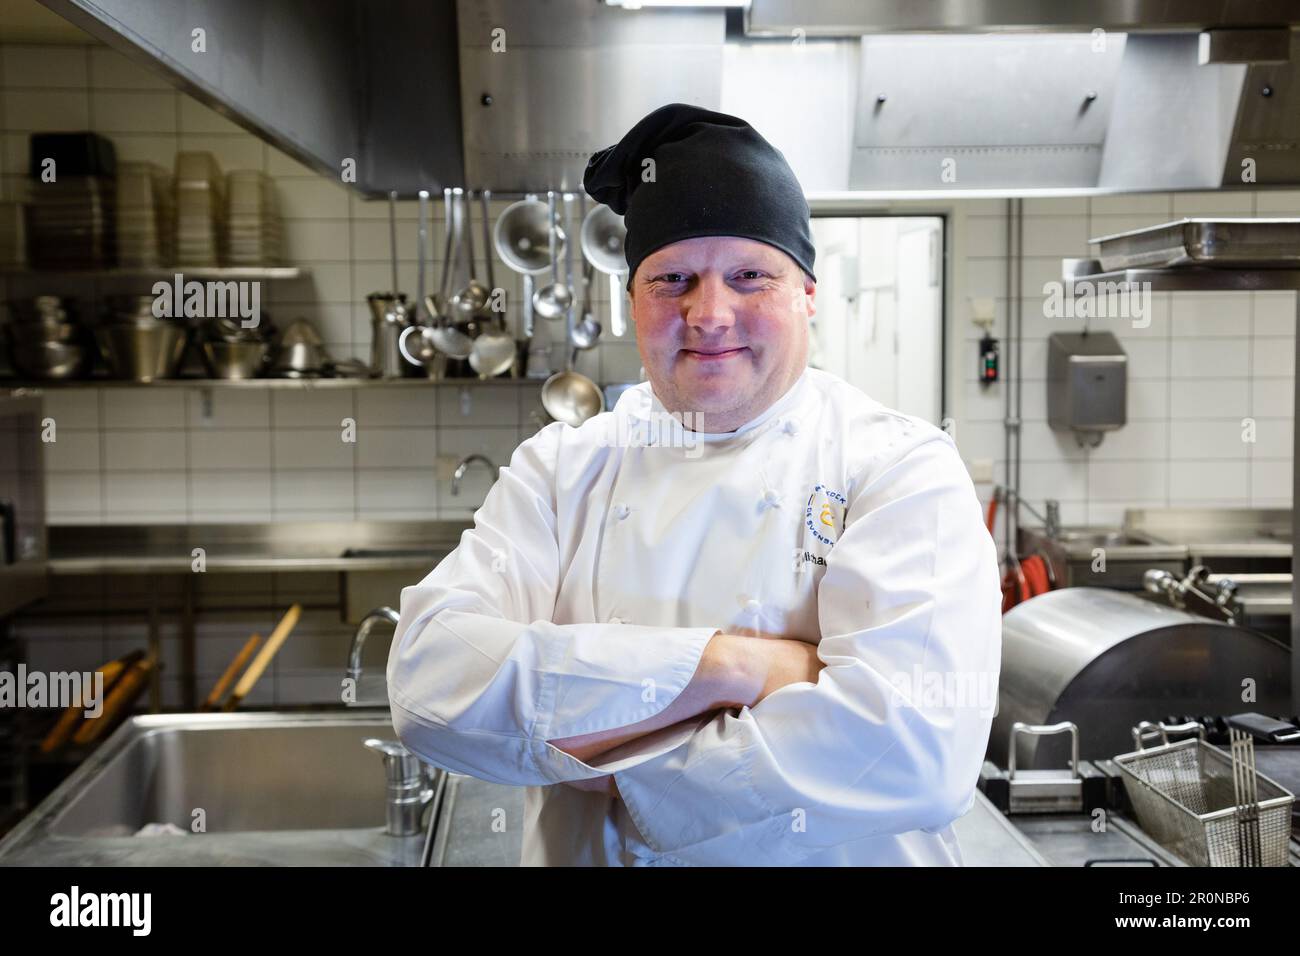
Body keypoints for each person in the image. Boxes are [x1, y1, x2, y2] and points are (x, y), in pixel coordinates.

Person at [387, 103, 1002, 866]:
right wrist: (732, 668)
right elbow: (429, 685)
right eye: (672, 278)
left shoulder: (898, 468)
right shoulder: (563, 470)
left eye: (750, 275)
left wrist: (595, 752)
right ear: (632, 302)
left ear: (807, 292)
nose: (709, 314)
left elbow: (914, 755)